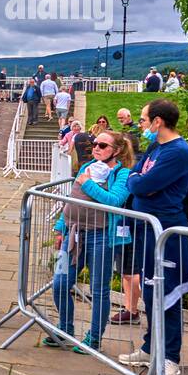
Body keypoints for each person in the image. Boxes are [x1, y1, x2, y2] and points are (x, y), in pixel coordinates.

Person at [118, 99, 188, 375]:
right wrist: (137, 181)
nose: (142, 124)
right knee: (151, 291)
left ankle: (170, 357)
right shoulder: (156, 147)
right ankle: (151, 348)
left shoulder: (179, 152)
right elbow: (135, 176)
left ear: (158, 121)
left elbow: (142, 183)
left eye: (144, 119)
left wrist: (138, 182)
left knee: (167, 293)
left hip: (166, 231)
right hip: (148, 230)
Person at [46, 130, 133, 353]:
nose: (96, 147)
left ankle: (94, 338)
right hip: (75, 234)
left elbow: (114, 201)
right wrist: (60, 228)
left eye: (103, 145)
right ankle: (65, 329)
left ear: (117, 150)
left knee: (99, 289)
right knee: (60, 283)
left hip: (102, 236)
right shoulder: (87, 168)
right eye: (95, 143)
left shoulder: (123, 174)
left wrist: (88, 185)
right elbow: (73, 200)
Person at [108, 133, 143, 326]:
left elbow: (116, 198)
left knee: (131, 270)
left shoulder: (129, 170)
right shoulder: (123, 169)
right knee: (125, 270)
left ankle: (132, 309)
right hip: (123, 224)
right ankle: (129, 307)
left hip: (130, 223)